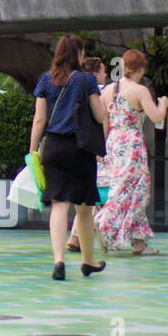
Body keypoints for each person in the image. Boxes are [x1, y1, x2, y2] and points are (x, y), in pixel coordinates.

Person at [30, 34, 109, 280]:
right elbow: (99, 115)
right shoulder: (86, 80)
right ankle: (88, 261)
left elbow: (39, 119)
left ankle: (59, 259)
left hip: (53, 147)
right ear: (79, 54)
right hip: (81, 149)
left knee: (59, 205)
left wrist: (33, 150)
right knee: (84, 208)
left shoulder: (46, 79)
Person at [92, 50, 168, 255]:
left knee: (125, 188)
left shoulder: (109, 89)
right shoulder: (140, 90)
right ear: (141, 68)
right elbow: (156, 118)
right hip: (132, 143)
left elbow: (104, 121)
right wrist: (164, 105)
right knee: (133, 190)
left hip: (113, 142)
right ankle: (103, 221)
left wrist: (103, 146)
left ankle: (139, 243)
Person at [67, 57, 111, 252]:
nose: (105, 74)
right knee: (92, 196)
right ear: (94, 73)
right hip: (94, 149)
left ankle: (75, 237)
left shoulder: (73, 88)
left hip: (76, 145)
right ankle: (84, 240)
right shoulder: (98, 91)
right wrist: (103, 148)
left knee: (83, 197)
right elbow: (103, 120)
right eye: (102, 71)